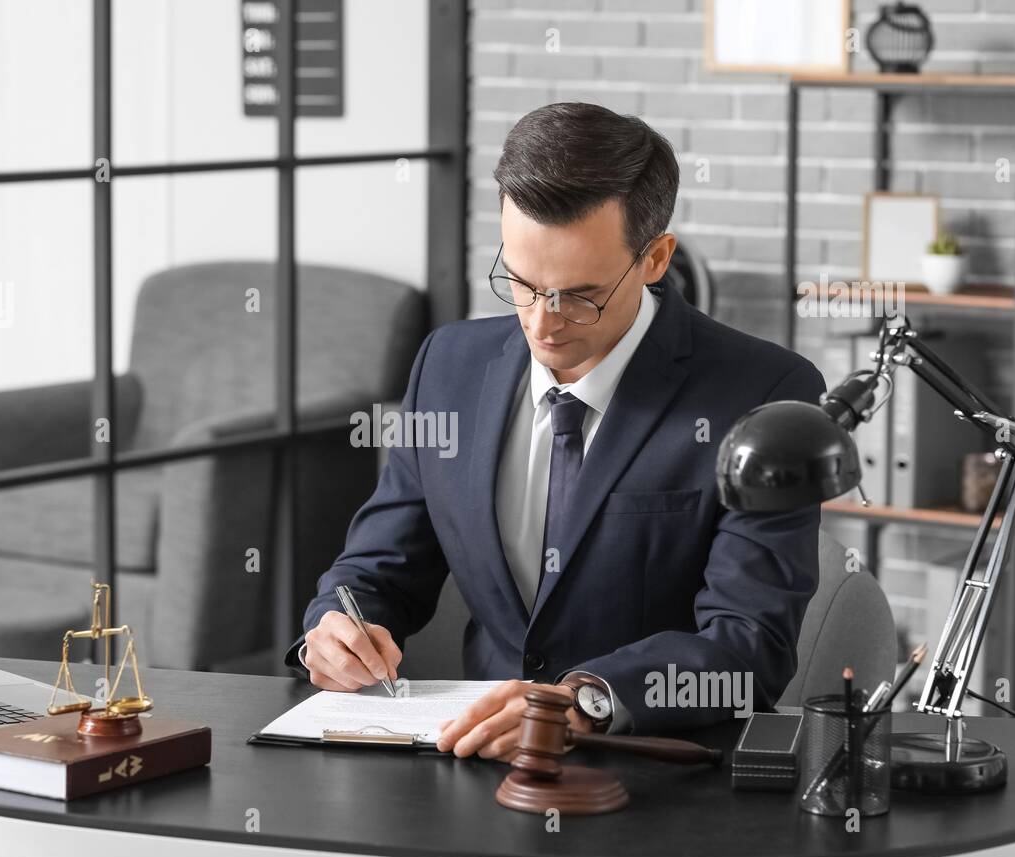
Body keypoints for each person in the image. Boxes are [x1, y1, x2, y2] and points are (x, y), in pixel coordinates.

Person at [285, 102, 826, 761]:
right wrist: (338, 628)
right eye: (520, 282)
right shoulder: (448, 367)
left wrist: (585, 702)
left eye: (580, 294)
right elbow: (380, 569)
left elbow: (750, 646)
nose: (542, 322)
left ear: (656, 258)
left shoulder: (766, 394)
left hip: (658, 777)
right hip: (474, 763)